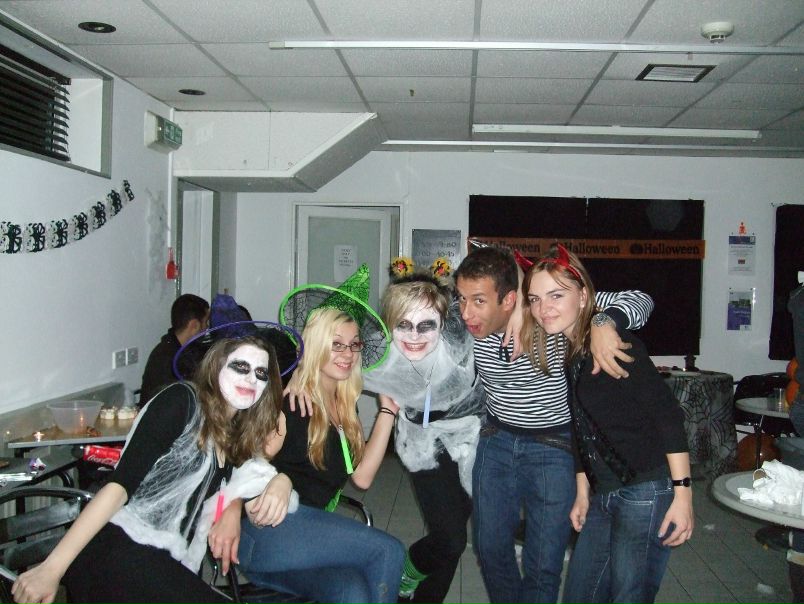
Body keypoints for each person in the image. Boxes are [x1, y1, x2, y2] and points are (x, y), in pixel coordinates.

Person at [12, 334, 289, 604]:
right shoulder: (182, 401)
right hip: (117, 551)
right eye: (241, 366)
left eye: (261, 373)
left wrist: (281, 483)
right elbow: (119, 487)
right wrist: (52, 569)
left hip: (166, 564)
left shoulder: (233, 437)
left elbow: (238, 505)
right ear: (216, 366)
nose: (251, 379)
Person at [453, 244, 654, 604]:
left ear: (509, 300)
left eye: (478, 301)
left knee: (543, 562)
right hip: (496, 439)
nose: (465, 312)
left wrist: (603, 322)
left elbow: (641, 300)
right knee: (489, 548)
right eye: (462, 299)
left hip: (554, 446)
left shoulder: (547, 315)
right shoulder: (468, 321)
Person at [219, 265, 406, 604]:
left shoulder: (345, 407)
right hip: (266, 534)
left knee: (354, 593)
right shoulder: (290, 402)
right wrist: (274, 484)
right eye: (336, 345)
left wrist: (387, 412)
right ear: (316, 346)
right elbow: (236, 462)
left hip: (301, 545)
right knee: (389, 551)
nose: (347, 354)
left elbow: (362, 477)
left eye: (354, 344)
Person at [523, 244, 692, 603]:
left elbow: (667, 415)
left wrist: (683, 494)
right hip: (605, 493)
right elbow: (581, 428)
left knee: (628, 596)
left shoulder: (616, 343)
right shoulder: (572, 351)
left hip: (646, 489)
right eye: (535, 299)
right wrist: (583, 492)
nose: (543, 308)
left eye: (556, 295)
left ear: (584, 296)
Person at [362, 262, 483, 603]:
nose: (414, 336)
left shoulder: (459, 338)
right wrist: (299, 382)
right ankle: (407, 569)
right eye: (403, 325)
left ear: (443, 323)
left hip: (471, 437)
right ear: (389, 324)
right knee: (451, 538)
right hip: (421, 442)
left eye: (426, 325)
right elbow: (326, 360)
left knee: (450, 538)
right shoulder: (377, 353)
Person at [139, 293, 209, 405]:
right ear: (194, 325)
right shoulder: (166, 359)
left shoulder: (183, 348)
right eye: (205, 322)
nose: (207, 328)